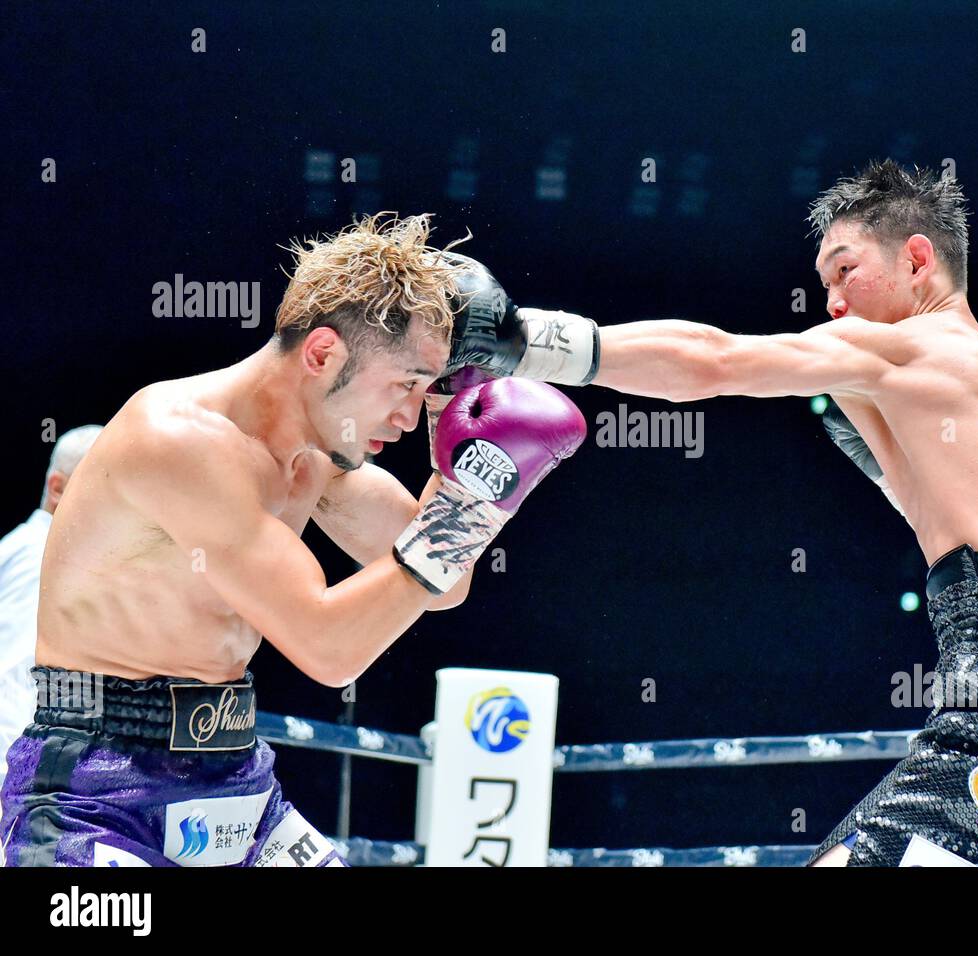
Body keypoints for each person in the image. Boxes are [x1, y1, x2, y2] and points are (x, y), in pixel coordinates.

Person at [438, 160, 978, 866]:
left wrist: (526, 341)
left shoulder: (906, 352)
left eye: (844, 271)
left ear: (918, 261)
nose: (832, 303)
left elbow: (716, 362)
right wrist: (897, 475)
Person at [0, 213, 586, 867]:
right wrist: (470, 509)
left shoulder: (314, 457)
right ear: (322, 354)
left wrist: (458, 448)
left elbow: (439, 583)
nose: (406, 410)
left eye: (426, 392)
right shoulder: (177, 442)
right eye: (403, 386)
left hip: (237, 785)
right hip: (97, 795)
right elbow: (330, 646)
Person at [0, 425, 102, 793]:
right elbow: (14, 676)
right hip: (19, 785)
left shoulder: (38, 551)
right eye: (104, 485)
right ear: (58, 488)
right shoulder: (39, 557)